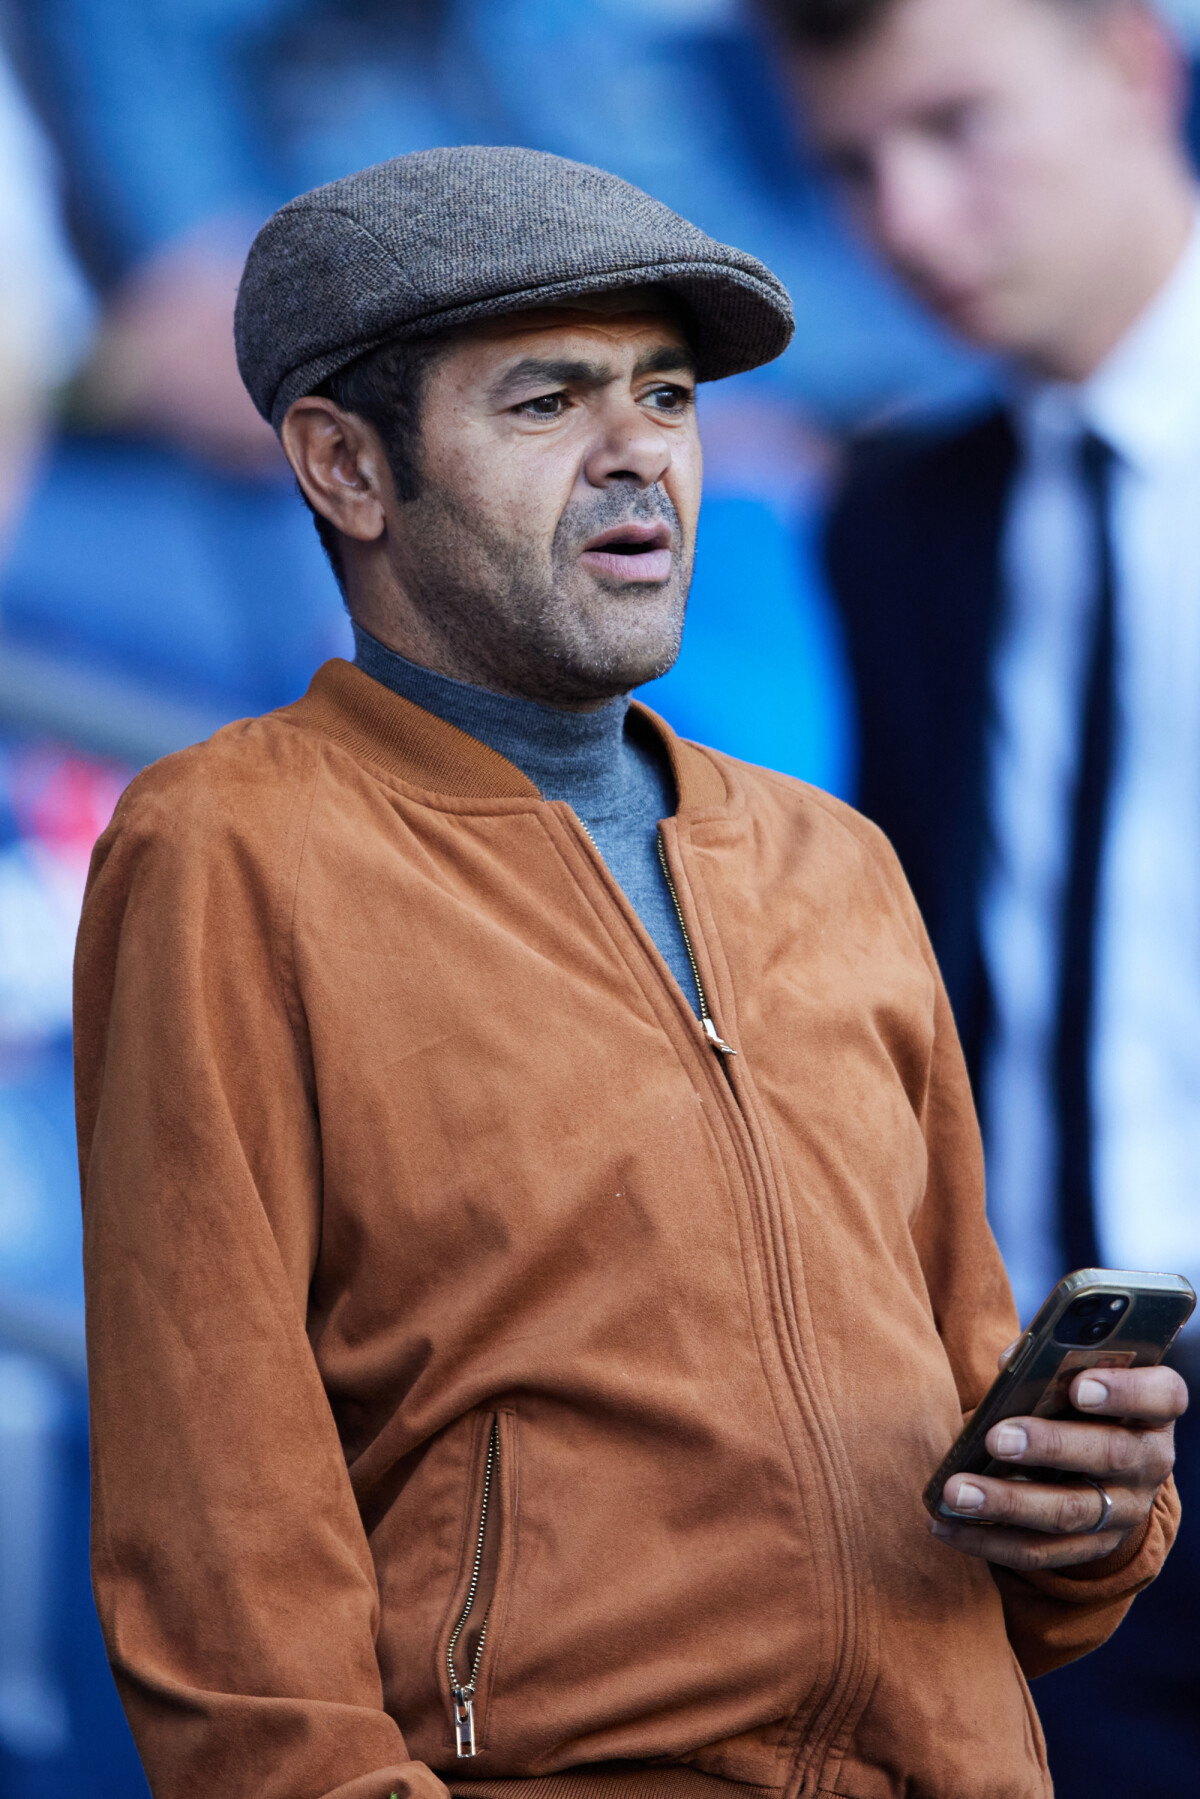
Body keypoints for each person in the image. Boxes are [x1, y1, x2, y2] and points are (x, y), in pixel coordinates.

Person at [74, 147, 1185, 1799]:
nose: (640, 458)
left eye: (666, 397)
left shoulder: (836, 862)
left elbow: (983, 1473)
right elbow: (214, 1524)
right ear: (345, 467)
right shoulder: (232, 850)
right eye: (546, 403)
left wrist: (1086, 1515)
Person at [770, 0, 1200, 1789]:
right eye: (857, 167)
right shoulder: (906, 515)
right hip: (1046, 1418)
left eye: (959, 127)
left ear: (1131, 59)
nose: (915, 226)